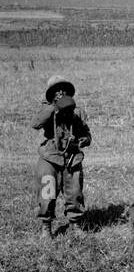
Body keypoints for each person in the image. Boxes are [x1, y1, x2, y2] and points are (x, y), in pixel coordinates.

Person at [33, 75, 90, 236]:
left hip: (72, 157)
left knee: (75, 193)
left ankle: (75, 225)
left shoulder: (77, 111)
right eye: (57, 91)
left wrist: (82, 140)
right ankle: (46, 226)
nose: (61, 93)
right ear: (51, 94)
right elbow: (35, 123)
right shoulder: (47, 109)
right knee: (47, 191)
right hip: (50, 157)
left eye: (64, 90)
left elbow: (87, 135)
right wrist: (54, 107)